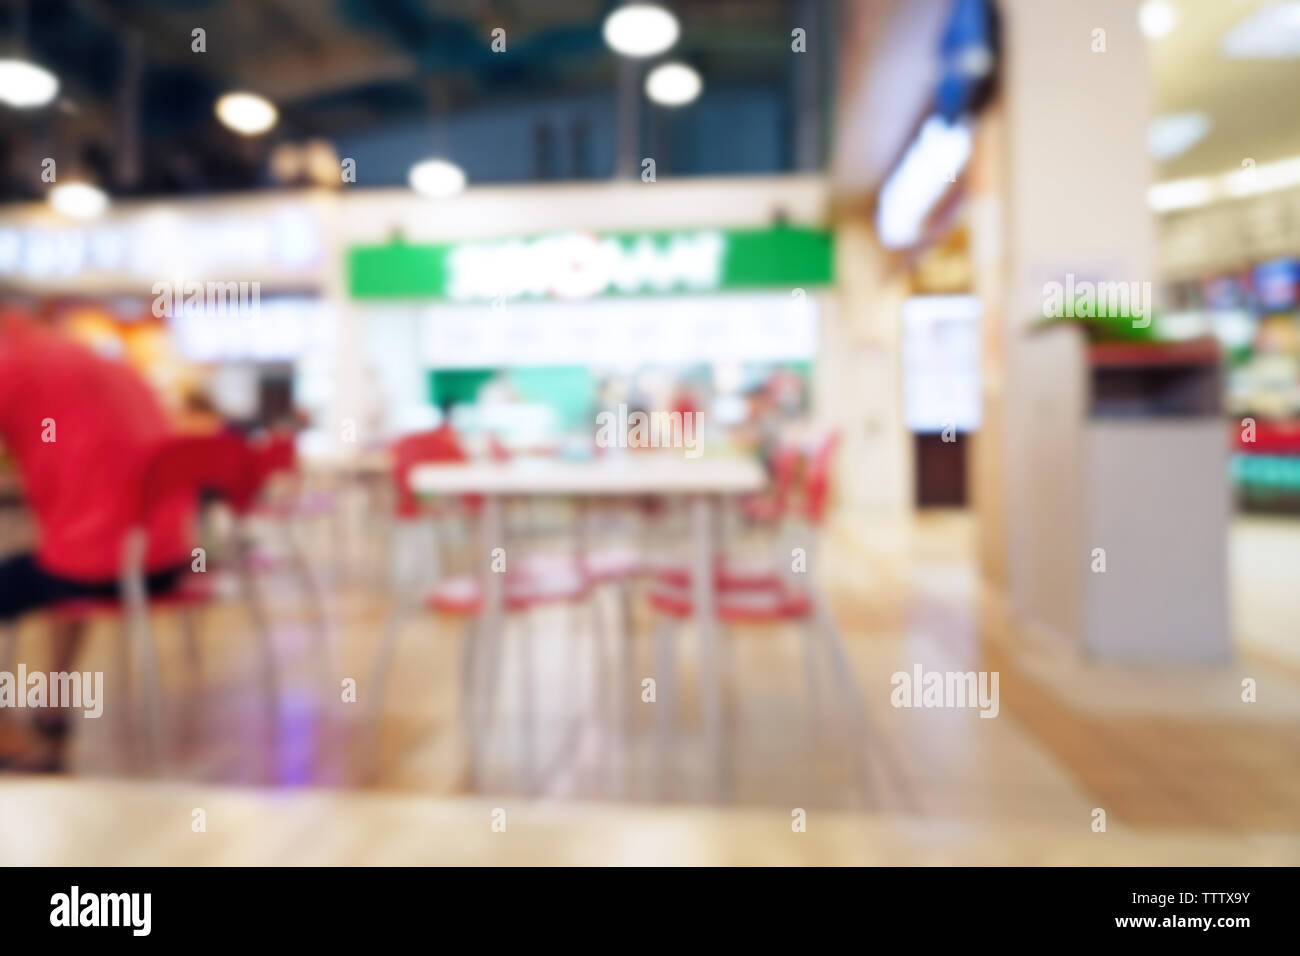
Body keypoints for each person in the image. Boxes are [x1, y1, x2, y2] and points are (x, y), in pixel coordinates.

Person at [0, 306, 192, 770]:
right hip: (166, 557)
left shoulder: (10, 360)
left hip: (100, 562)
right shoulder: (90, 357)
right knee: (59, 556)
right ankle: (53, 707)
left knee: (54, 565)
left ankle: (8, 737)